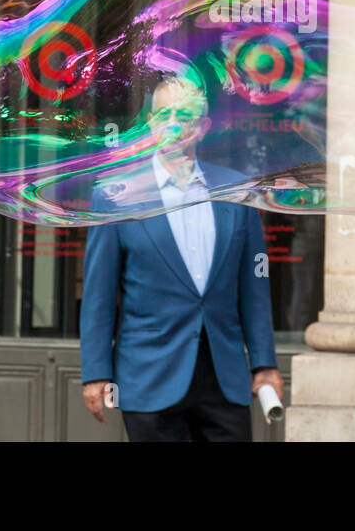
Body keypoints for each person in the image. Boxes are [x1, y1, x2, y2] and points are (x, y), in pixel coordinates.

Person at [80, 76, 279, 441]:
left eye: (185, 115)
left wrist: (265, 363)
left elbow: (254, 287)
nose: (175, 123)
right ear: (152, 124)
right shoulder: (116, 196)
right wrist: (96, 372)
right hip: (148, 375)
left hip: (224, 376)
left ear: (202, 127)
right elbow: (99, 294)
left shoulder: (236, 191)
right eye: (165, 114)